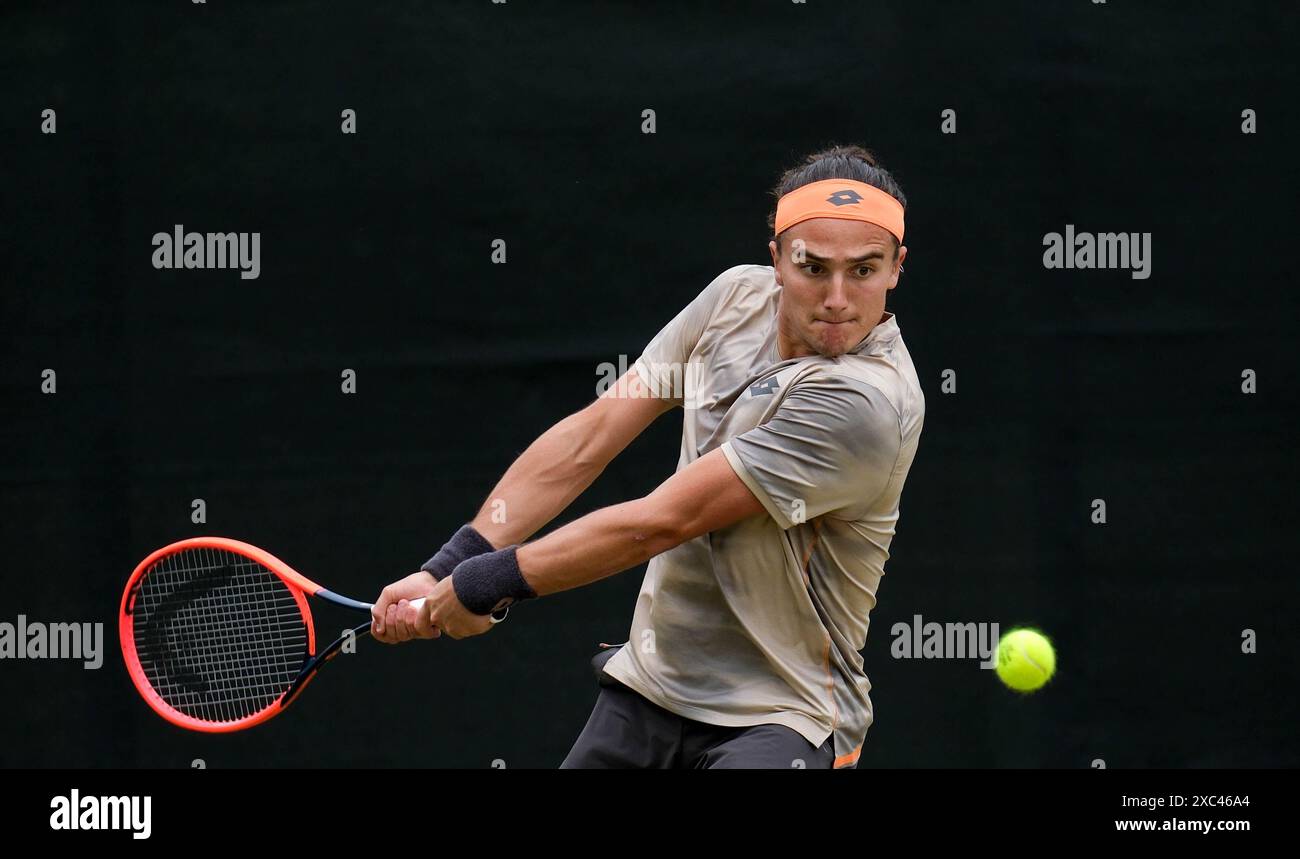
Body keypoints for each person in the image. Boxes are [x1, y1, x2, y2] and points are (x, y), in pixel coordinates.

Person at [372, 144, 925, 769]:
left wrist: (481, 587)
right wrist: (452, 561)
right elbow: (593, 435)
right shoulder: (732, 302)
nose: (837, 298)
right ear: (775, 260)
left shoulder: (863, 403)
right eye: (813, 267)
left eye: (864, 270)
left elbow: (659, 524)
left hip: (783, 716)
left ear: (897, 268)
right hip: (652, 688)